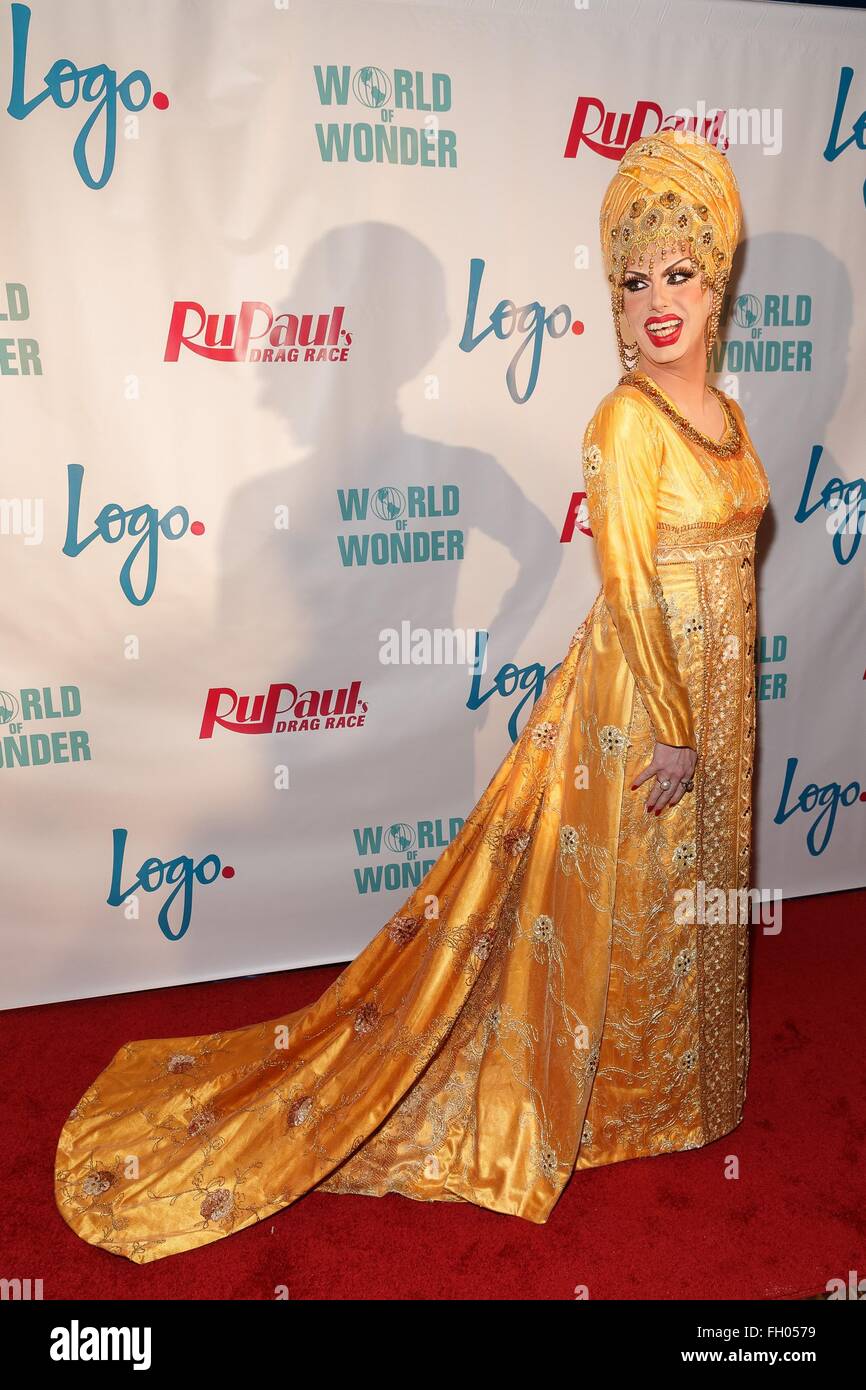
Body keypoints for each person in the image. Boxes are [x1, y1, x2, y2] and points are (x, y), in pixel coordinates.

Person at [54, 128, 770, 1264]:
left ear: (716, 277)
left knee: (694, 889)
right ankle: (622, 1099)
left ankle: (686, 1091)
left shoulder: (724, 420)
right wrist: (677, 726)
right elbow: (626, 583)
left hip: (721, 691)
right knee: (628, 901)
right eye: (631, 281)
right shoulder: (622, 424)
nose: (654, 301)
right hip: (648, 703)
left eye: (676, 272)